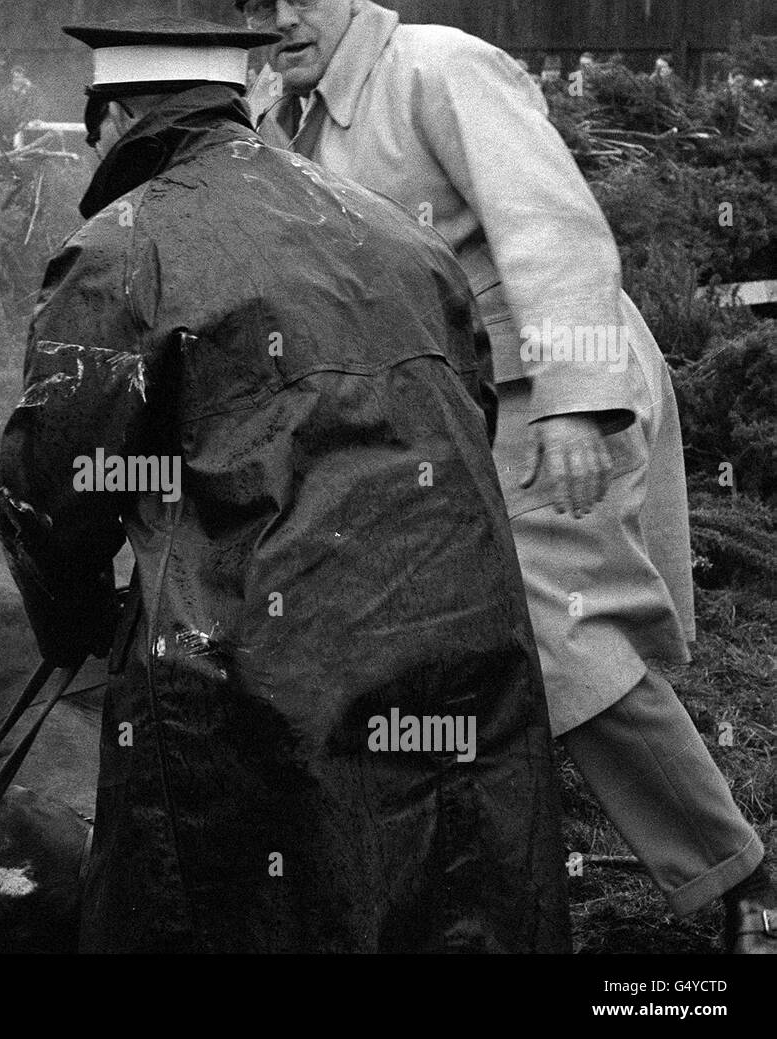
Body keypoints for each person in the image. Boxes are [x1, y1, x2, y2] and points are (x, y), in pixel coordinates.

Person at [0, 14, 569, 953]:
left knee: (235, 908)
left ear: (113, 116)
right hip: (470, 649)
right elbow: (469, 416)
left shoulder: (119, 249)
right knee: (459, 894)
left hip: (252, 684)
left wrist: (73, 627)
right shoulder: (401, 237)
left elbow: (52, 495)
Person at [243, 0, 777, 952]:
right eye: (254, 3)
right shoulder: (288, 111)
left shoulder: (438, 67)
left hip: (553, 386)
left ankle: (741, 891)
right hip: (444, 410)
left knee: (562, 628)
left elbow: (552, 226)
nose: (279, 19)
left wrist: (578, 400)